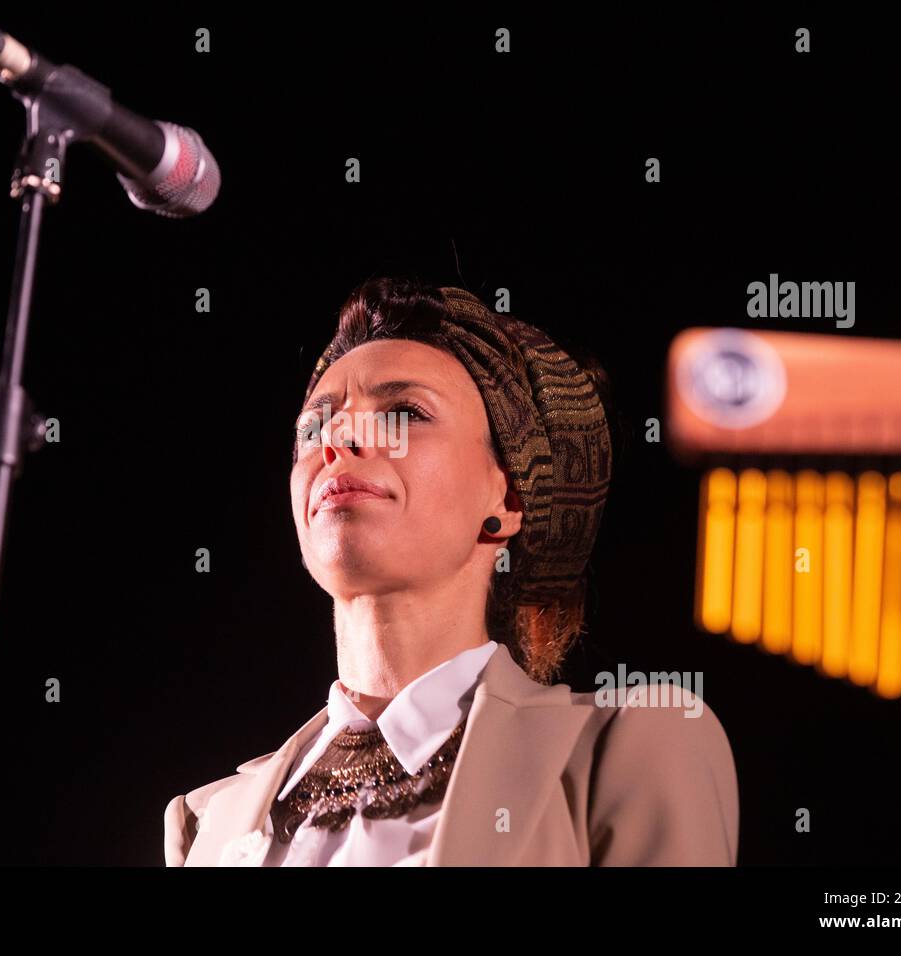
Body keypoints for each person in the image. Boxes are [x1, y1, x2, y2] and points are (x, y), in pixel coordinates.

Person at [164, 277, 738, 866]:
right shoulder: (207, 821)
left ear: (509, 496)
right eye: (313, 427)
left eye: (406, 412)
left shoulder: (627, 751)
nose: (338, 436)